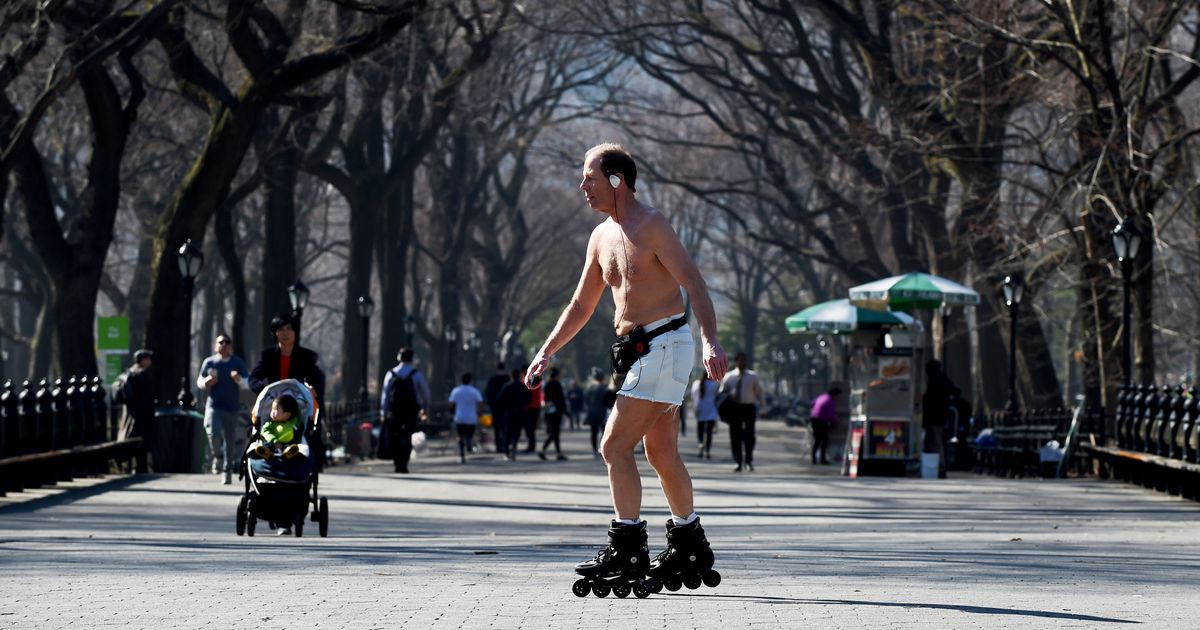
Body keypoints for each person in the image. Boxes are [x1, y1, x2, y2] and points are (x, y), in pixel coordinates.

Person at [524, 143, 728, 594]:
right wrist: (546, 350)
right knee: (660, 453)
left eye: (590, 178)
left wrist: (710, 340)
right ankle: (688, 541)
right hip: (635, 352)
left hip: (666, 344)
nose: (583, 187)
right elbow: (581, 305)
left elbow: (693, 282)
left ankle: (628, 545)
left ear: (617, 180)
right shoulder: (600, 237)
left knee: (613, 445)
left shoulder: (652, 226)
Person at [248, 394, 308, 535]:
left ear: (287, 414)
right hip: (272, 447)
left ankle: (288, 453)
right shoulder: (270, 424)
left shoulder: (294, 424)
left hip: (289, 449)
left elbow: (300, 431)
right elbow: (265, 432)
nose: (272, 413)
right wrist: (275, 441)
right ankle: (267, 453)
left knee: (298, 449)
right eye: (272, 409)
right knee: (264, 445)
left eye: (276, 410)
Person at [196, 333, 250, 484]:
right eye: (221, 342)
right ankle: (217, 456)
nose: (224, 345)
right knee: (213, 432)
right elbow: (200, 382)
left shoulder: (237, 363)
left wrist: (237, 379)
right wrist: (208, 381)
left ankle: (226, 471)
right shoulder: (210, 362)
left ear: (231, 346)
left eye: (227, 342)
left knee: (230, 440)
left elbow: (247, 383)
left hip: (232, 407)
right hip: (214, 406)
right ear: (216, 345)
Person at [380, 348, 430, 473]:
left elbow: (385, 395)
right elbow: (425, 394)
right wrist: (425, 409)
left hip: (394, 410)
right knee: (408, 435)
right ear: (412, 359)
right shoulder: (416, 374)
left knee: (395, 435)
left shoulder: (391, 374)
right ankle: (404, 461)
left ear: (399, 358)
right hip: (410, 410)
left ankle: (397, 461)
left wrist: (383, 412)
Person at [719, 352, 765, 472]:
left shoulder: (752, 376)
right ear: (736, 362)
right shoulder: (729, 377)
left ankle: (748, 461)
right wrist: (729, 396)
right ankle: (738, 462)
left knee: (749, 436)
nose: (742, 362)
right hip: (735, 409)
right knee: (735, 436)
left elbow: (759, 392)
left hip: (749, 407)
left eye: (743, 360)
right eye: (739, 360)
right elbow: (722, 393)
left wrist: (763, 407)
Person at [114, 349, 155, 473]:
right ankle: (141, 468)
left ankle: (128, 467)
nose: (150, 361)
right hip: (141, 415)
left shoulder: (129, 372)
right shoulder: (142, 374)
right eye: (148, 359)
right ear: (143, 360)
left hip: (130, 413)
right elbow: (146, 397)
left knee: (131, 440)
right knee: (141, 443)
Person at [923, 360, 955, 478]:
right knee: (937, 441)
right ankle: (938, 465)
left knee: (936, 442)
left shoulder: (933, 382)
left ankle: (940, 466)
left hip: (933, 417)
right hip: (941, 416)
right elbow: (955, 391)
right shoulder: (943, 379)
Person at [497, 367, 532, 460]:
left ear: (511, 376)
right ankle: (514, 445)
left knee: (508, 431)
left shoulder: (506, 387)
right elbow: (529, 399)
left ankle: (507, 451)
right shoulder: (523, 387)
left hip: (508, 413)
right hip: (520, 412)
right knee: (517, 431)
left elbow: (500, 400)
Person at [449, 372, 484, 465]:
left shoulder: (456, 391)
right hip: (471, 418)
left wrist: (452, 411)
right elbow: (480, 402)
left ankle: (461, 453)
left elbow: (451, 404)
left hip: (459, 418)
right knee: (469, 435)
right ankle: (469, 444)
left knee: (460, 436)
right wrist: (480, 413)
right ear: (470, 380)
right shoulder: (474, 391)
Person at [539, 368, 568, 461]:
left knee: (554, 433)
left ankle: (557, 452)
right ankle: (544, 450)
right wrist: (564, 411)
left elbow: (545, 398)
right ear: (556, 375)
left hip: (549, 412)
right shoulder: (557, 384)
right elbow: (560, 399)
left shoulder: (546, 385)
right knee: (554, 433)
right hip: (556, 412)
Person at [809, 386, 841, 465]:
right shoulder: (830, 401)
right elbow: (831, 415)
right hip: (821, 421)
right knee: (824, 440)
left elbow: (812, 403)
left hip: (814, 418)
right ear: (835, 395)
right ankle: (822, 459)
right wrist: (836, 421)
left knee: (817, 440)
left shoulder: (822, 396)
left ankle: (814, 458)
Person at [484, 362, 511, 453]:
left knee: (496, 427)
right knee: (505, 426)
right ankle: (505, 444)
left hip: (494, 406)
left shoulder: (492, 379)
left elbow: (487, 392)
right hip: (505, 406)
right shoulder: (507, 379)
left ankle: (498, 445)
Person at [584, 367, 610, 458]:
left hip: (592, 413)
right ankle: (602, 449)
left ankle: (594, 450)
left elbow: (586, 400)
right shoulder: (605, 387)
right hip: (603, 413)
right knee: (604, 432)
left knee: (593, 432)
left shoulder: (589, 387)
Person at [691, 375, 718, 459]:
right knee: (709, 432)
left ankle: (701, 444)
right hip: (712, 409)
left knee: (700, 430)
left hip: (700, 409)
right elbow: (718, 396)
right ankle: (707, 451)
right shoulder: (714, 384)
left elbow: (693, 396)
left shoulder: (696, 383)